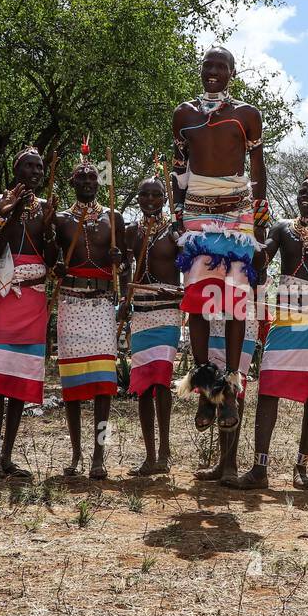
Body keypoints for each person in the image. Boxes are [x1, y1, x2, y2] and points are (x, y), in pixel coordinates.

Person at [236, 161, 308, 490]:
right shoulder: (282, 227)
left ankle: (301, 468)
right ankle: (260, 468)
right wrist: (257, 232)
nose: (304, 195)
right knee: (269, 386)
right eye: (302, 190)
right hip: (287, 315)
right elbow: (262, 263)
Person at [172, 47, 267, 432]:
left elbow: (258, 166)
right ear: (201, 70)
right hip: (195, 209)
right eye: (207, 66)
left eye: (220, 67)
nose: (213, 72)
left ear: (232, 72)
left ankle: (229, 385)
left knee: (234, 301)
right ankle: (205, 383)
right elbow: (180, 166)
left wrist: (259, 214)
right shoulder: (183, 114)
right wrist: (177, 215)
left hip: (237, 211)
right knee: (197, 300)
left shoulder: (246, 115)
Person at [47, 151, 126, 479]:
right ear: (72, 183)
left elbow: (125, 264)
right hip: (71, 304)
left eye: (93, 178)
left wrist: (118, 260)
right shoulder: (62, 219)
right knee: (74, 385)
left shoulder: (113, 218)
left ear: (100, 181)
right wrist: (56, 259)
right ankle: (77, 453)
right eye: (81, 178)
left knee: (103, 386)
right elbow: (49, 256)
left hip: (103, 305)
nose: (88, 182)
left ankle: (99, 454)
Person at [0, 147, 50, 479]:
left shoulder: (47, 209)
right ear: (16, 169)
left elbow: (50, 254)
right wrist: (7, 212)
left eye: (39, 167)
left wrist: (48, 230)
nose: (34, 172)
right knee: (0, 376)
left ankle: (7, 456)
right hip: (5, 291)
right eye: (28, 166)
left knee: (19, 377)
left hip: (34, 299)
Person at [121, 173, 182, 476]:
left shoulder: (174, 231)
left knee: (160, 378)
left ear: (165, 198)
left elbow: (189, 265)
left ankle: (165, 449)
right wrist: (123, 298)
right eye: (144, 195)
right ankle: (148, 455)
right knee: (143, 384)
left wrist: (183, 289)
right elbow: (124, 270)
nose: (149, 200)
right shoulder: (131, 231)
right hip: (141, 313)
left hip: (168, 312)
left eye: (156, 195)